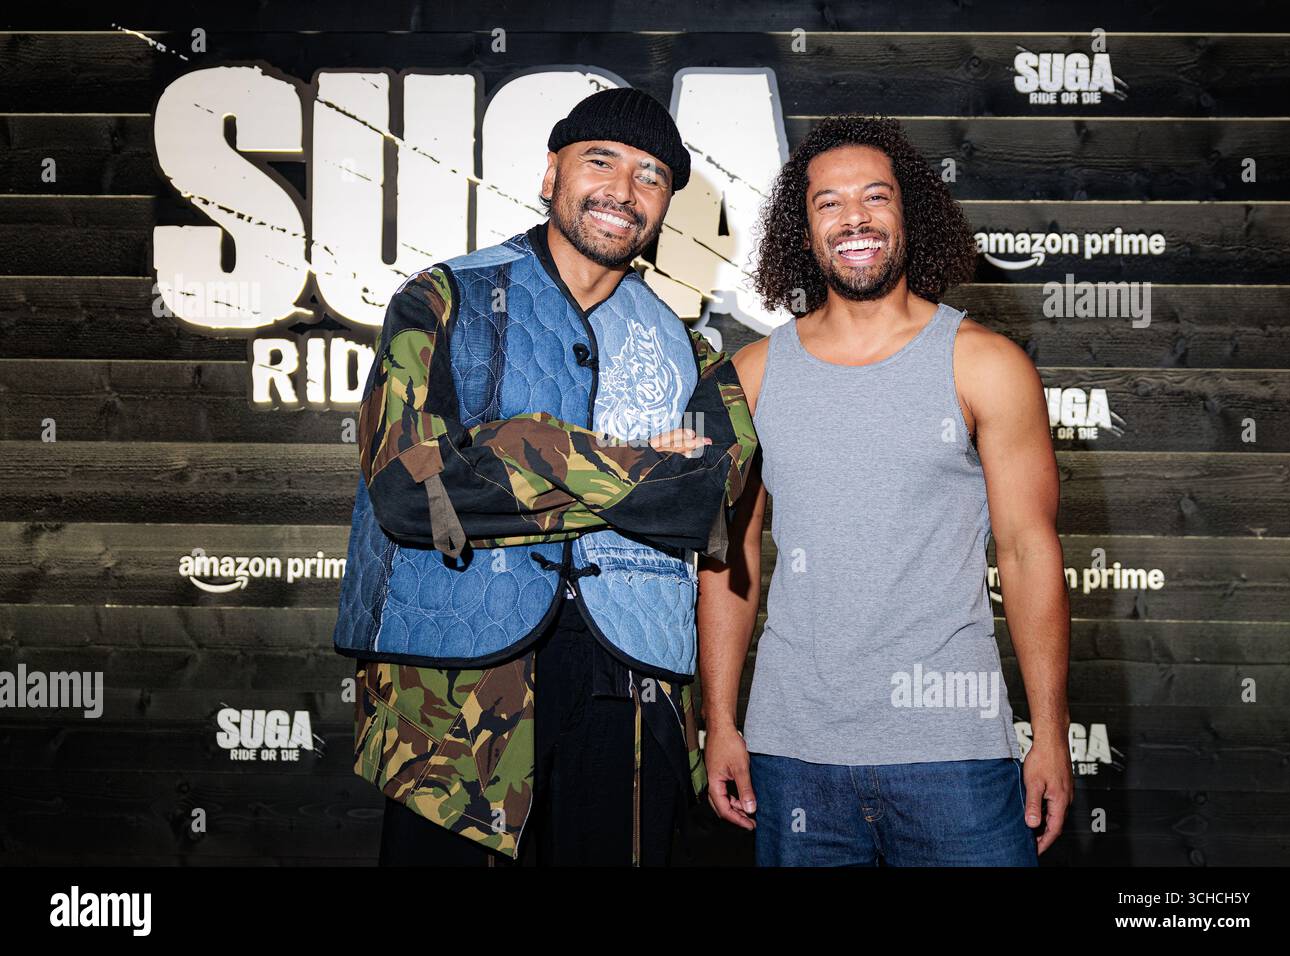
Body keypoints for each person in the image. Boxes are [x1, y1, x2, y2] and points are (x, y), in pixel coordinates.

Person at [332, 87, 757, 866]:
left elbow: (710, 499)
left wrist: (505, 452)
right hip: (455, 698)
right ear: (550, 173)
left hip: (631, 687)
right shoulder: (442, 298)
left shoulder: (691, 351)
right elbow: (407, 486)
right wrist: (616, 466)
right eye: (602, 161)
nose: (625, 190)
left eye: (652, 176)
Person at [699, 114, 1074, 866]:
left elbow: (1029, 551)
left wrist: (1052, 735)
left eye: (876, 197)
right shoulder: (750, 375)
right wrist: (721, 720)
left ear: (910, 215)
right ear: (803, 233)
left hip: (956, 753)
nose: (855, 218)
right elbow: (728, 556)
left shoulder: (984, 364)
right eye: (828, 203)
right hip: (794, 750)